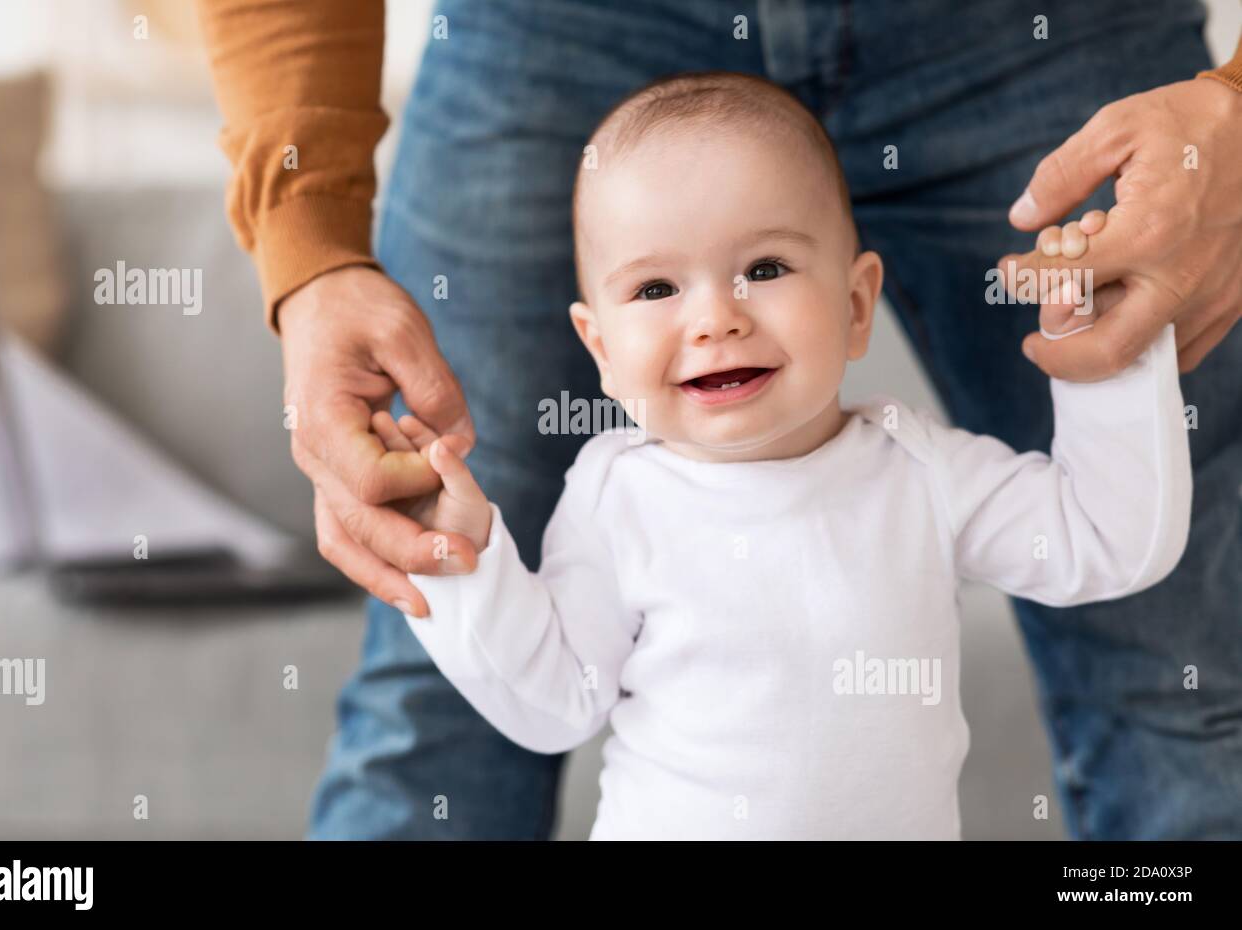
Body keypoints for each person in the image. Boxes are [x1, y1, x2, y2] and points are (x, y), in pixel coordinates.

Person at [196, 0, 1242, 839]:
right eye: (654, 291)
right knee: (421, 726)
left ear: (851, 303)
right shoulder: (613, 498)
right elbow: (553, 700)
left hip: (1033, 21)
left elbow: (1112, 543)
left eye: (767, 268)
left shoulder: (922, 473)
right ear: (595, 347)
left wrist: (1110, 360)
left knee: (1187, 689)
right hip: (554, 23)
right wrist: (458, 557)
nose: (714, 318)